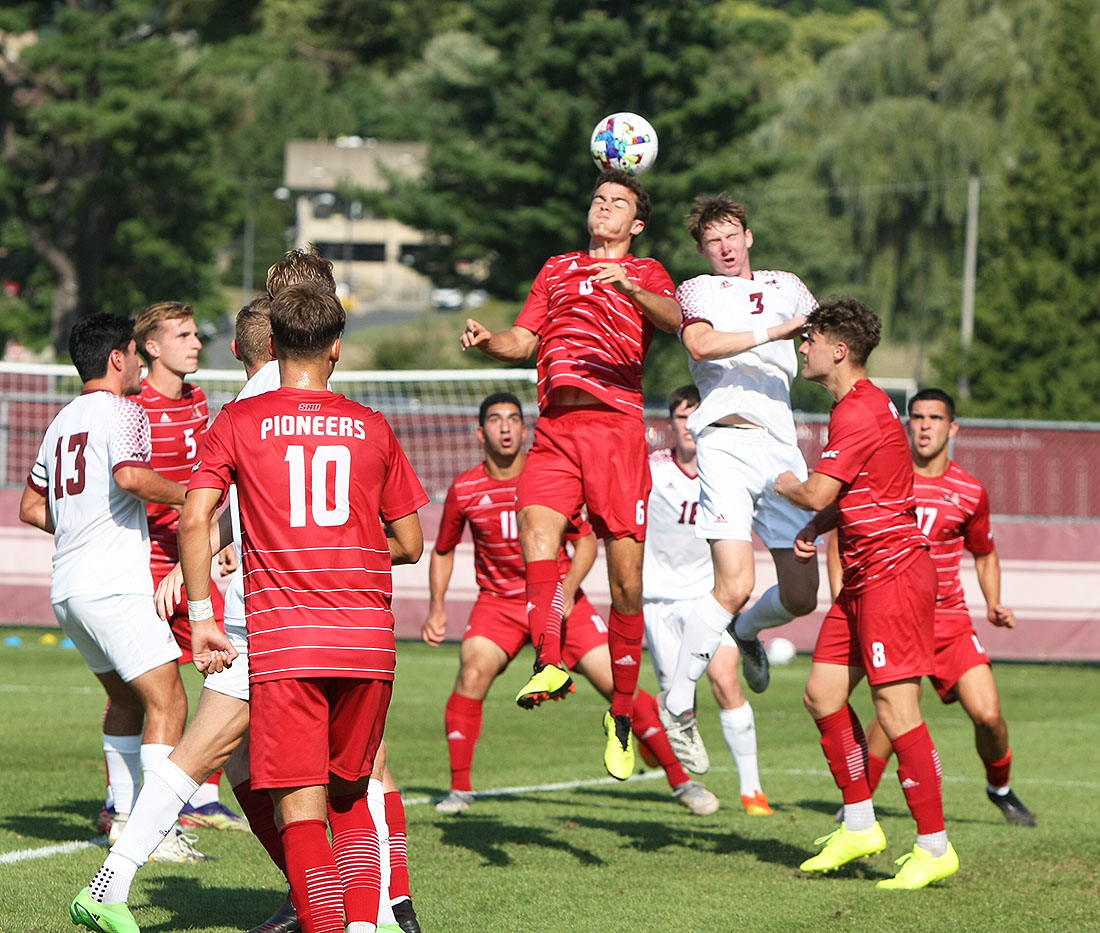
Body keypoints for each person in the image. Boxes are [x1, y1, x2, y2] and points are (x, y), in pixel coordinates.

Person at [181, 282, 429, 933]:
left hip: (289, 640)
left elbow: (195, 517)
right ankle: (367, 923)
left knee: (300, 810)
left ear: (272, 347)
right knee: (351, 796)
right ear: (337, 347)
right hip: (368, 643)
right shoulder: (372, 427)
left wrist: (203, 615)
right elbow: (410, 541)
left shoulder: (238, 420)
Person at [461, 168, 682, 780]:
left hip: (616, 433)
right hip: (557, 428)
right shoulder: (556, 268)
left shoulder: (648, 272)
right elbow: (523, 341)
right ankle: (550, 659)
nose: (603, 208)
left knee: (627, 584)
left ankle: (620, 713)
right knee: (535, 530)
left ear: (635, 225)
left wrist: (631, 288)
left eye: (618, 203)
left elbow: (674, 320)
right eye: (598, 199)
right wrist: (487, 341)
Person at [423, 393, 718, 816]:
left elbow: (584, 544)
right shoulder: (465, 488)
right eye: (494, 420)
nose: (505, 428)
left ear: (526, 431)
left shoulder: (552, 479)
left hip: (563, 602)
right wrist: (437, 608)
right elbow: (444, 548)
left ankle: (682, 782)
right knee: (471, 671)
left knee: (619, 683)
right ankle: (460, 790)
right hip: (500, 604)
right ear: (480, 431)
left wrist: (564, 590)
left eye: (513, 420)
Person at [774, 297, 959, 890]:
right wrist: (821, 526)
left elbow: (817, 491)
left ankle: (935, 846)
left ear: (838, 348)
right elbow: (867, 492)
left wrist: (777, 480)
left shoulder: (857, 411)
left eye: (811, 339)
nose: (803, 347)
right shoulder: (858, 406)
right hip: (862, 574)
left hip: (894, 575)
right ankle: (859, 824)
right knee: (823, 694)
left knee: (897, 711)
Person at [657, 194, 819, 772]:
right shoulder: (698, 290)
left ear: (749, 236)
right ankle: (676, 702)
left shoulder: (791, 286)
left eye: (732, 235)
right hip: (723, 442)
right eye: (712, 241)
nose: (724, 247)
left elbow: (821, 346)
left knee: (803, 596)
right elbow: (700, 344)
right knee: (735, 581)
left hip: (781, 449)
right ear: (702, 250)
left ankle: (747, 634)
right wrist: (777, 331)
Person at [19, 313, 189, 856]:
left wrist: (77, 519)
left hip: (68, 588)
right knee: (170, 702)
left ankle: (120, 816)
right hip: (114, 583)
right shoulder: (125, 409)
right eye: (136, 353)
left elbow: (30, 507)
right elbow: (131, 478)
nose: (140, 363)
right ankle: (156, 833)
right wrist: (195, 497)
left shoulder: (62, 419)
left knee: (126, 699)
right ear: (118, 358)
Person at [831, 388, 1034, 827]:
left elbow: (984, 552)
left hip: (949, 621)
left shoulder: (969, 491)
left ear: (952, 428)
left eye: (935, 418)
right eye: (917, 417)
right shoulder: (887, 476)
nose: (924, 426)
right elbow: (841, 531)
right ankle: (859, 807)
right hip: (896, 611)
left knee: (989, 716)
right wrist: (840, 592)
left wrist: (994, 602)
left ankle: (999, 787)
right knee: (892, 712)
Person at [126, 300, 244, 832]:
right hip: (144, 563)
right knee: (148, 686)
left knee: (223, 665)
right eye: (184, 335)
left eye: (198, 334)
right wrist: (190, 515)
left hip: (191, 561)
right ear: (152, 346)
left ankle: (201, 799)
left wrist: (212, 536)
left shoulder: (198, 400)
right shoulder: (135, 405)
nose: (197, 343)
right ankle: (122, 800)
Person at [643, 385, 772, 815]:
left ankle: (753, 791)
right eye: (682, 417)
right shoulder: (651, 471)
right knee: (682, 706)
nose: (691, 426)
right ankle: (655, 737)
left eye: (699, 417)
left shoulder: (728, 474)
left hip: (708, 597)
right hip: (659, 601)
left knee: (725, 680)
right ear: (671, 424)